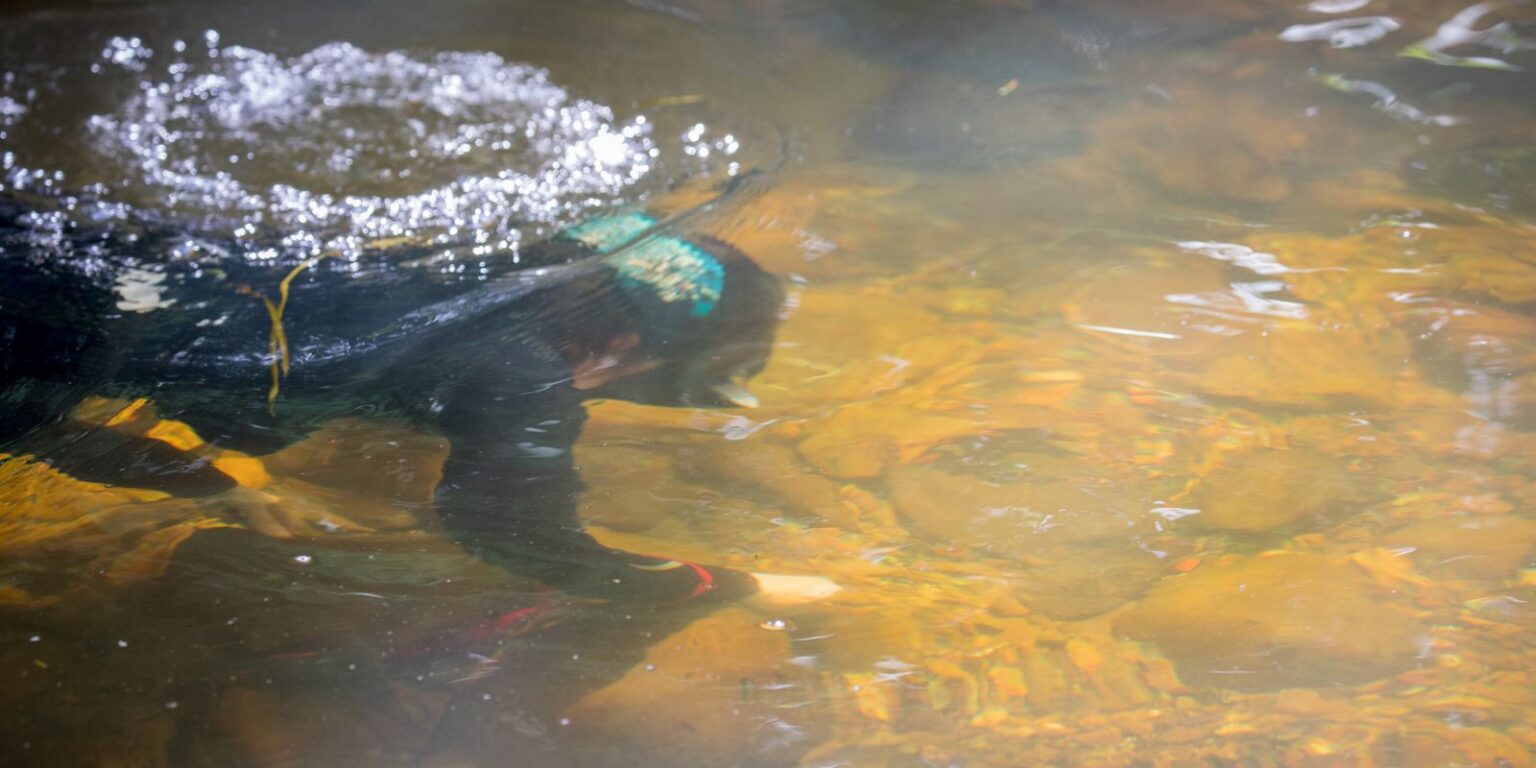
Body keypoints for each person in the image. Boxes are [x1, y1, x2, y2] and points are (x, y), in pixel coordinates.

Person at [0, 186, 839, 608]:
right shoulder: (527, 381)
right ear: (624, 350)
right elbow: (521, 545)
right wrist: (725, 585)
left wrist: (210, 472)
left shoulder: (440, 252)